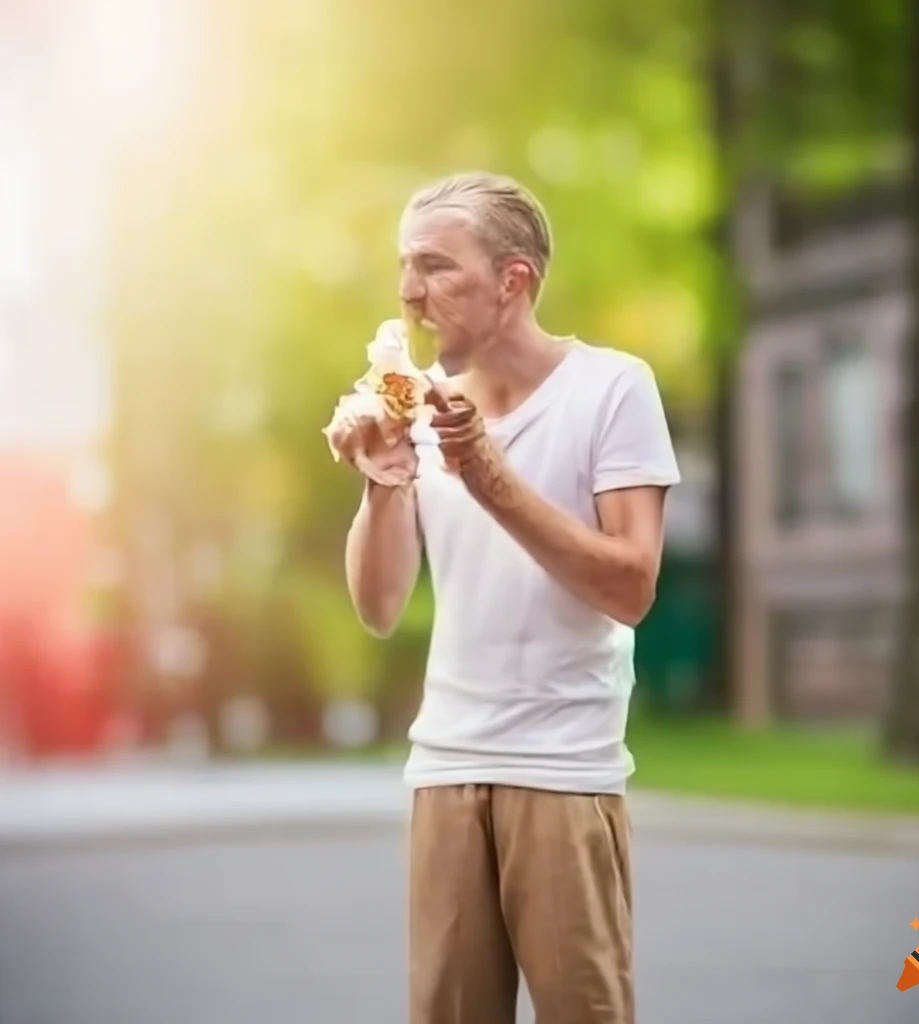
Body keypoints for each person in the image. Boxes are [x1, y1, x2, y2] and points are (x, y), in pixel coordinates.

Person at [336, 171, 680, 1024]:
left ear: (513, 280)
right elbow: (380, 606)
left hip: (564, 773)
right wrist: (383, 484)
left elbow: (632, 586)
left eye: (435, 266)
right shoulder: (416, 410)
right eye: (405, 268)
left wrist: (489, 476)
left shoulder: (612, 388)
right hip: (446, 765)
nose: (410, 293)